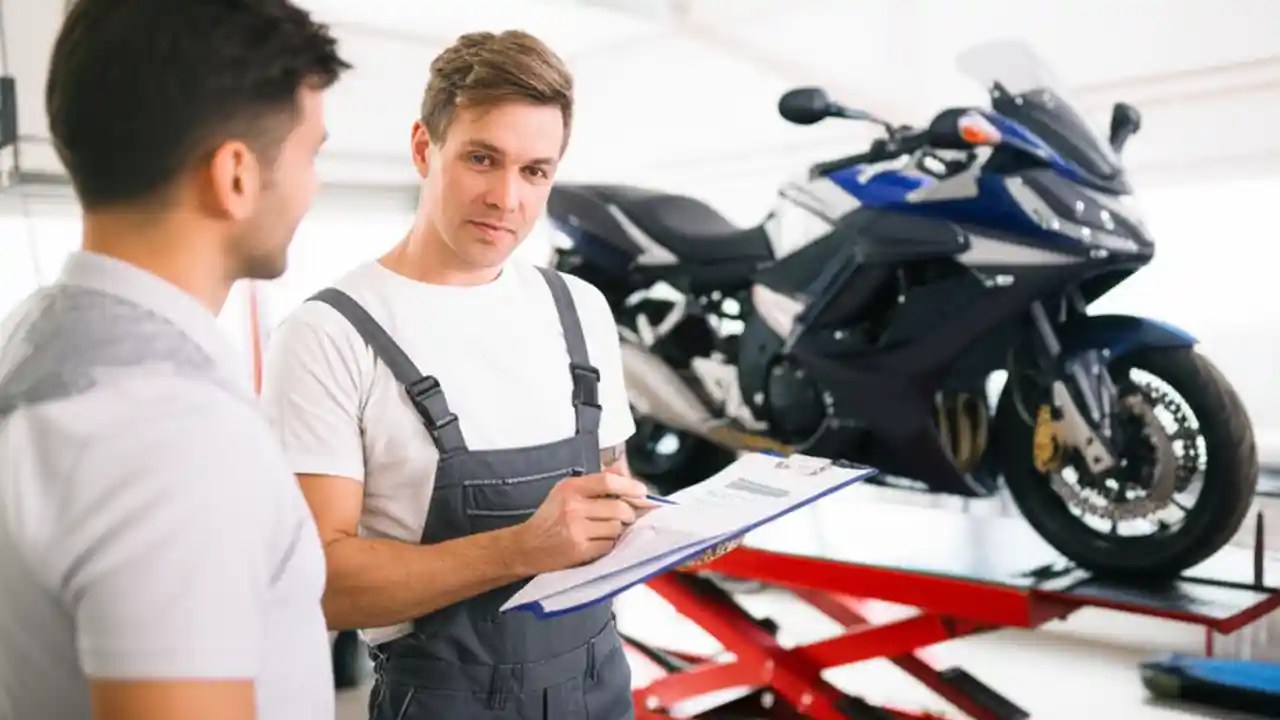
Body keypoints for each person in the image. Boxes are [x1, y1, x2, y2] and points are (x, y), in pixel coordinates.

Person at [261, 29, 738, 719]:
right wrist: (519, 549)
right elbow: (320, 586)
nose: (507, 198)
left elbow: (612, 484)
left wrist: (666, 529)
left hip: (600, 685)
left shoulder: (580, 309)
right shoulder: (329, 334)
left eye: (535, 171)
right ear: (424, 148)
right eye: (482, 159)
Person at [0, 2, 350, 719]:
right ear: (236, 176)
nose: (313, 186)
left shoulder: (36, 338)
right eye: (311, 154)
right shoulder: (173, 431)